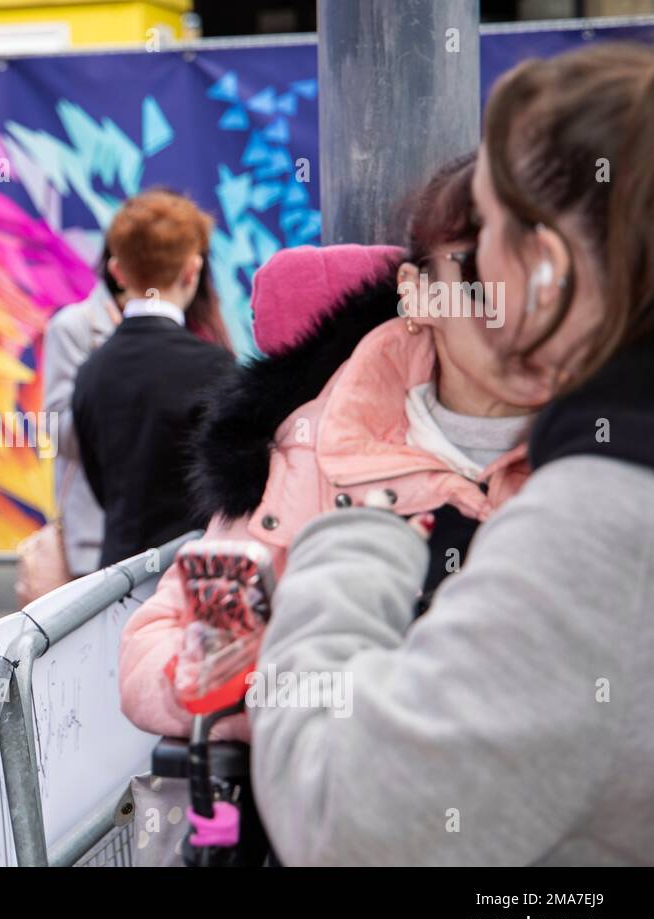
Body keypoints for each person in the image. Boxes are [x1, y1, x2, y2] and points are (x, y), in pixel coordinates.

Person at [251, 43, 654, 864]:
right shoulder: (306, 433)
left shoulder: (604, 511)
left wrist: (351, 553)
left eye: (491, 232)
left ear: (542, 263)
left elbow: (351, 822)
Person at [120, 155, 540, 741]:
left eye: (542, 274)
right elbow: (164, 647)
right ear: (416, 295)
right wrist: (239, 680)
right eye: (477, 272)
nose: (512, 306)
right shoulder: (309, 448)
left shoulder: (617, 451)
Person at [72, 189, 235, 568]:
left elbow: (99, 483)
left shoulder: (93, 371)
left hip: (113, 584)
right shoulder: (215, 367)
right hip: (191, 579)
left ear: (117, 272)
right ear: (192, 269)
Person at [41, 248, 124, 578]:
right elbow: (61, 434)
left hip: (161, 537)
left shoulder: (185, 325)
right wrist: (119, 360)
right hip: (92, 540)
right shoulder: (73, 327)